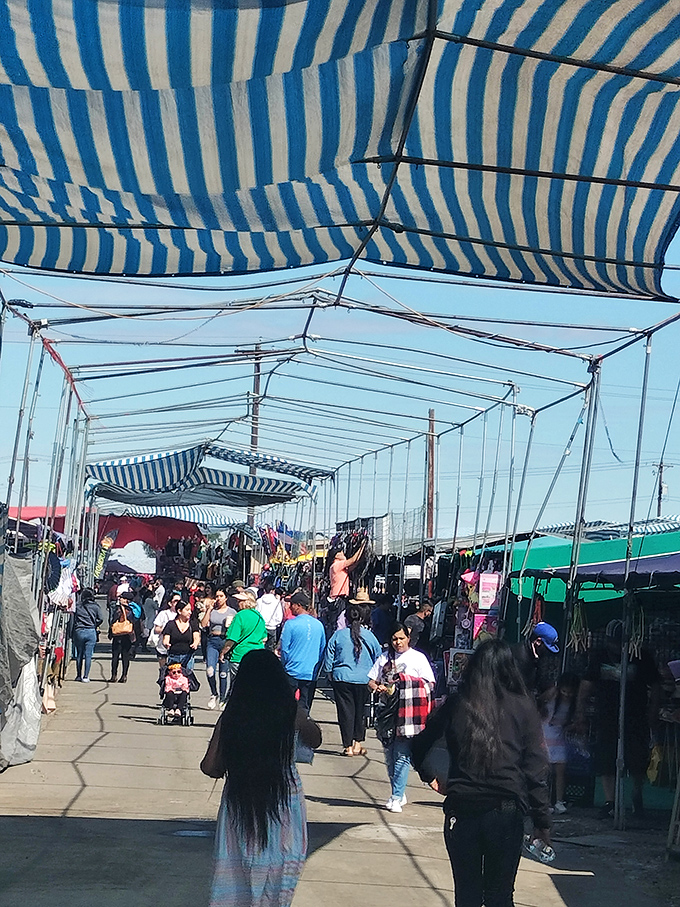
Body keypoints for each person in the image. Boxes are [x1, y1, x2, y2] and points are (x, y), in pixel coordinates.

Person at [411, 639, 551, 907]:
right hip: (506, 811)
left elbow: (419, 745)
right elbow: (536, 769)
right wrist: (541, 821)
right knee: (500, 895)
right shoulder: (523, 708)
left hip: (462, 810)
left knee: (467, 895)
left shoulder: (457, 704)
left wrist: (430, 777)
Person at [200, 649, 322, 907]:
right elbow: (316, 740)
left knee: (238, 874)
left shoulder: (231, 718)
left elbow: (210, 766)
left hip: (241, 800)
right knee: (279, 869)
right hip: (285, 802)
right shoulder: (291, 714)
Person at [574, 619, 661, 818]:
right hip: (607, 715)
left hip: (636, 716)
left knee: (638, 758)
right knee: (606, 758)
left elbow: (656, 686)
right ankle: (609, 801)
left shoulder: (641, 657)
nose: (615, 646)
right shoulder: (600, 657)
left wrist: (653, 710)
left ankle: (637, 793)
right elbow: (585, 686)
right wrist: (580, 714)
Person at [368, 621, 435, 812]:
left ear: (408, 638)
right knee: (390, 756)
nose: (398, 642)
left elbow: (430, 683)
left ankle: (396, 797)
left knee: (401, 755)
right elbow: (371, 681)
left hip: (409, 714)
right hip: (387, 713)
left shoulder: (418, 658)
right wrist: (378, 687)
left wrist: (409, 684)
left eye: (401, 638)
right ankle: (398, 791)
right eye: (394, 639)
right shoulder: (384, 658)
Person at [324, 599, 382, 756]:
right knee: (360, 711)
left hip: (342, 678)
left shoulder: (338, 635)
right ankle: (357, 743)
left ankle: (348, 746)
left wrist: (329, 672)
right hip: (364, 679)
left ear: (347, 619)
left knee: (345, 712)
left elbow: (329, 655)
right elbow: (379, 657)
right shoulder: (370, 636)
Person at [279, 590, 326, 711]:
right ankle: (303, 727)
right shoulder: (319, 625)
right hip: (310, 672)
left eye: (292, 604)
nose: (289, 607)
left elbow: (284, 649)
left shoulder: (290, 624)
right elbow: (322, 648)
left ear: (298, 605)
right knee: (305, 705)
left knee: (287, 705)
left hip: (292, 670)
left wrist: (285, 664)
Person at [541, 672, 579, 814]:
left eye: (570, 692)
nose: (567, 695)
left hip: (559, 735)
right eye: (565, 691)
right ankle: (544, 801)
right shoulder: (552, 694)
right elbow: (539, 703)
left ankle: (559, 801)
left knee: (560, 770)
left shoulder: (575, 702)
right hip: (545, 733)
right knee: (546, 772)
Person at [219, 590, 266, 690]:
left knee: (238, 686)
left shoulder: (240, 616)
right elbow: (264, 638)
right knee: (254, 685)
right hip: (257, 654)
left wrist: (223, 652)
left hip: (240, 655)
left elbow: (232, 639)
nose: (237, 603)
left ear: (246, 602)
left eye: (240, 601)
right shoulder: (259, 616)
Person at [202, 586, 237, 709]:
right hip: (212, 640)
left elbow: (235, 627)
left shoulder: (232, 612)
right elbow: (204, 624)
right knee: (210, 670)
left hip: (225, 640)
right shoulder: (212, 611)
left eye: (221, 596)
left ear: (226, 598)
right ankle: (214, 693)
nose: (218, 599)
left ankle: (223, 698)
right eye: (216, 596)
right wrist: (209, 610)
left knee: (223, 673)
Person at [511, 621, 560, 700]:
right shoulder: (520, 658)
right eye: (546, 648)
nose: (548, 652)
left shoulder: (536, 656)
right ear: (538, 641)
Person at [72, 588, 102, 682]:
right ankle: (85, 676)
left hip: (79, 631)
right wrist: (94, 624)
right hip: (91, 631)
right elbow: (101, 618)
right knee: (88, 655)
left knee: (79, 654)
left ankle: (78, 675)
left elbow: (73, 618)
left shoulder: (78, 606)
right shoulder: (96, 607)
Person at [162, 599, 201, 671]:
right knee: (174, 680)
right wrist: (166, 643)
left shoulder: (193, 624)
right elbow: (166, 638)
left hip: (188, 656)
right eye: (187, 610)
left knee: (187, 679)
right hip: (173, 656)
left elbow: (196, 636)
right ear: (179, 611)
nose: (190, 612)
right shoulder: (171, 624)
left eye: (190, 610)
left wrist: (195, 644)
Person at [108, 590, 136, 683]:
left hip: (118, 636)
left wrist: (110, 632)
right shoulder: (132, 610)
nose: (120, 599)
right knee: (125, 657)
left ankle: (114, 675)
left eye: (122, 598)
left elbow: (114, 620)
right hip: (128, 635)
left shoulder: (119, 609)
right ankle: (124, 675)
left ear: (126, 600)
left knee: (115, 656)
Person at [256, 579, 284, 649]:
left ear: (264, 590)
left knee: (260, 646)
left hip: (261, 627)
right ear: (273, 591)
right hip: (272, 628)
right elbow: (279, 617)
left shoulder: (259, 601)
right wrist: (275, 624)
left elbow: (256, 613)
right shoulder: (276, 602)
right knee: (270, 648)